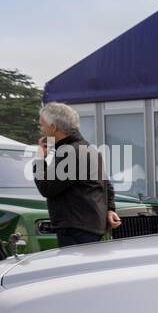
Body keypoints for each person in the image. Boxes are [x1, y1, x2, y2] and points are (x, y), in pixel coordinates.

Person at [31, 102, 120, 247]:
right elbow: (105, 185)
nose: (41, 130)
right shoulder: (87, 148)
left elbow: (46, 188)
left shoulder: (69, 153)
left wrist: (39, 159)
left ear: (53, 127)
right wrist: (110, 209)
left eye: (42, 125)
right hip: (89, 226)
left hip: (76, 228)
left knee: (75, 269)